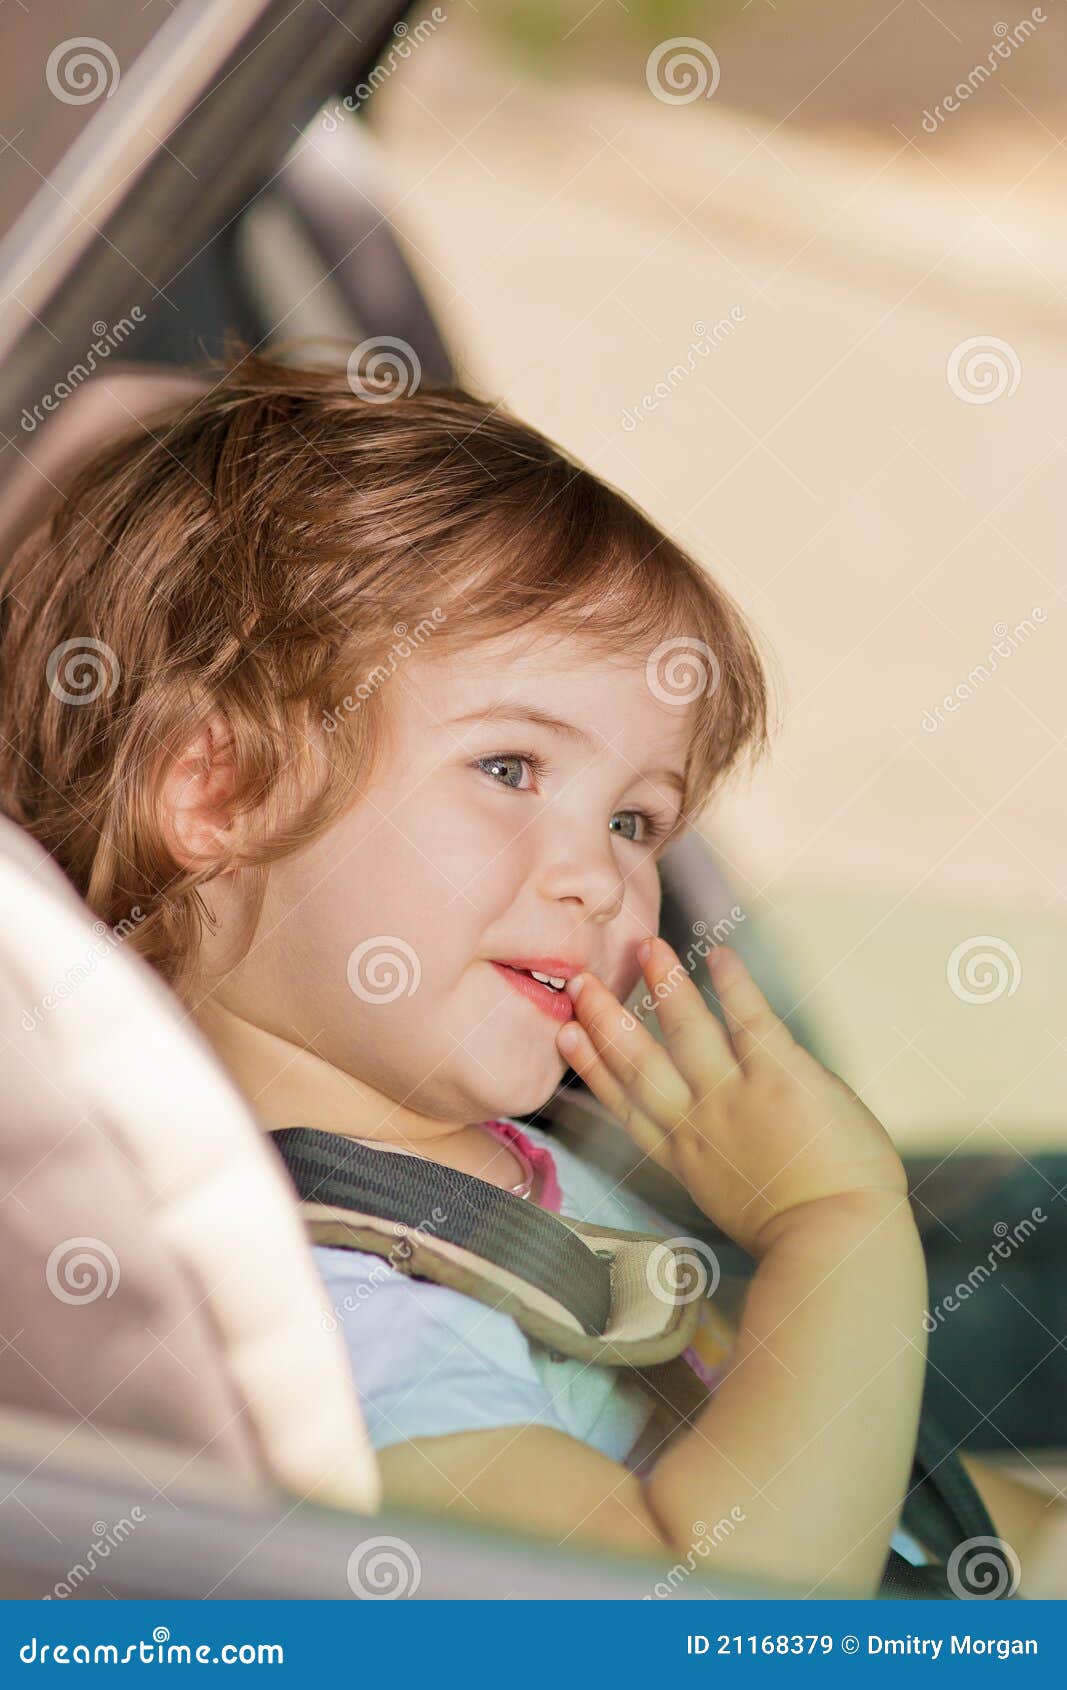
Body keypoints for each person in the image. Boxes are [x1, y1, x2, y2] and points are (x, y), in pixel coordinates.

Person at [0, 347, 1061, 1598]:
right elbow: (698, 1627)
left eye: (634, 819)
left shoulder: (493, 1168)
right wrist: (837, 1232)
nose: (599, 878)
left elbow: (891, 1504)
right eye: (509, 769)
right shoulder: (360, 1320)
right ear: (218, 788)